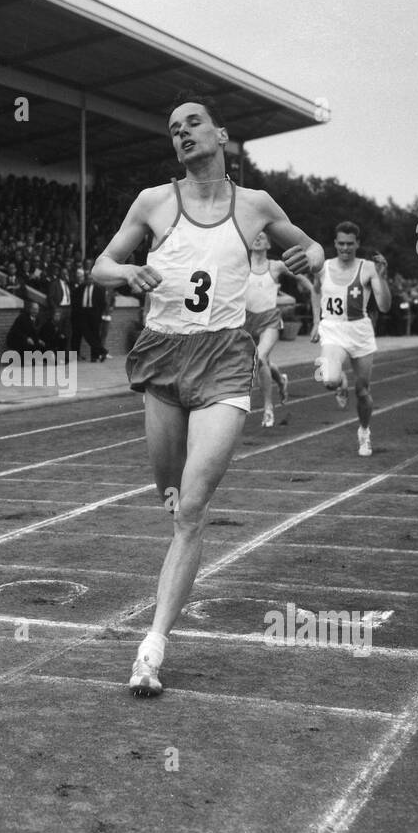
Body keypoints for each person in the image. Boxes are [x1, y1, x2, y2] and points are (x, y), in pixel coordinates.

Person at [92, 97, 323, 698]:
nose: (182, 134)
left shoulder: (256, 206)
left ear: (220, 134)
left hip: (223, 360)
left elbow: (314, 249)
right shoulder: (153, 201)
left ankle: (152, 646)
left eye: (192, 123)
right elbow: (101, 266)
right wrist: (127, 274)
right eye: (173, 129)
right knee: (171, 499)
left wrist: (309, 255)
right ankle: (178, 556)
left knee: (192, 509)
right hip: (163, 357)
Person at [310, 222, 391, 458]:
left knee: (363, 390)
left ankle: (364, 431)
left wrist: (383, 279)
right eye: (341, 243)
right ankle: (340, 382)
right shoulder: (322, 267)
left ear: (357, 244)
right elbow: (315, 291)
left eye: (350, 244)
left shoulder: (368, 269)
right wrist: (316, 320)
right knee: (330, 379)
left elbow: (384, 306)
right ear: (335, 244)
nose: (345, 248)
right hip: (332, 329)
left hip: (360, 331)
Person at [244, 231, 317, 427]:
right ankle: (281, 379)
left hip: (269, 319)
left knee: (259, 359)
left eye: (262, 236)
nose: (258, 238)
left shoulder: (276, 266)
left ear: (269, 243)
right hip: (245, 320)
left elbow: (307, 283)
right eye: (255, 235)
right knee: (263, 361)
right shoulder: (241, 265)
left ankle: (268, 408)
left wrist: (316, 308)